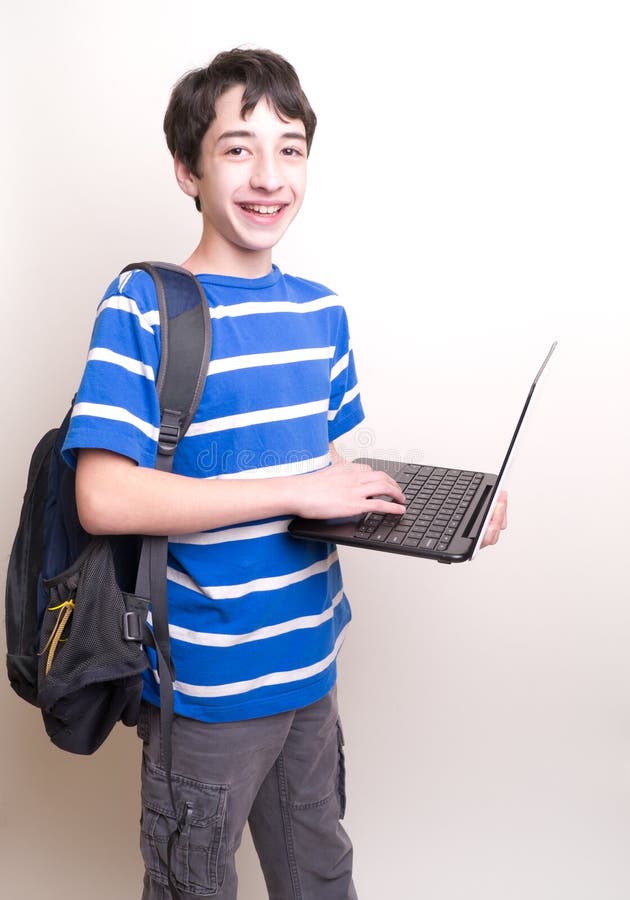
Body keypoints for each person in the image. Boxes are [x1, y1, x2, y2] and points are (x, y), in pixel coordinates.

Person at [62, 47, 507, 900]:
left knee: (320, 875)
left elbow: (324, 465)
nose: (269, 175)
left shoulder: (320, 311)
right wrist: (301, 491)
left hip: (311, 669)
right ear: (188, 170)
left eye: (290, 149)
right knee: (194, 887)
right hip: (206, 689)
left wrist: (445, 507)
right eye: (238, 148)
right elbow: (103, 495)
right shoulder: (144, 306)